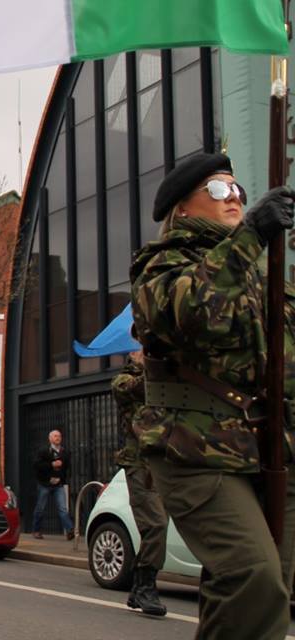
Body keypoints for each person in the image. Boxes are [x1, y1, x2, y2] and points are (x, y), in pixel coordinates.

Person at [131, 152, 295, 639]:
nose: (236, 198)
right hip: (195, 448)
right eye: (220, 190)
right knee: (253, 577)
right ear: (183, 208)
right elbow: (190, 311)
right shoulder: (162, 265)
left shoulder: (265, 277)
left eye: (238, 190)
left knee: (273, 588)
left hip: (270, 448)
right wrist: (252, 237)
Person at [111, 350, 167, 617]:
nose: (148, 354)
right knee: (155, 524)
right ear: (133, 355)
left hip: (167, 463)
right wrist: (154, 365)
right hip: (139, 465)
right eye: (143, 351)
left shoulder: (167, 381)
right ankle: (146, 587)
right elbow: (137, 388)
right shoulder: (123, 380)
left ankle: (138, 586)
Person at [31, 429, 73, 540]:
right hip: (45, 484)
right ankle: (36, 530)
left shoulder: (65, 452)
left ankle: (70, 530)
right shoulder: (43, 451)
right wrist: (51, 464)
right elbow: (36, 465)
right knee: (40, 508)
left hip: (58, 484)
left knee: (63, 508)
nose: (58, 438)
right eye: (55, 436)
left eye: (59, 436)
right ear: (50, 438)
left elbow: (67, 467)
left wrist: (63, 479)